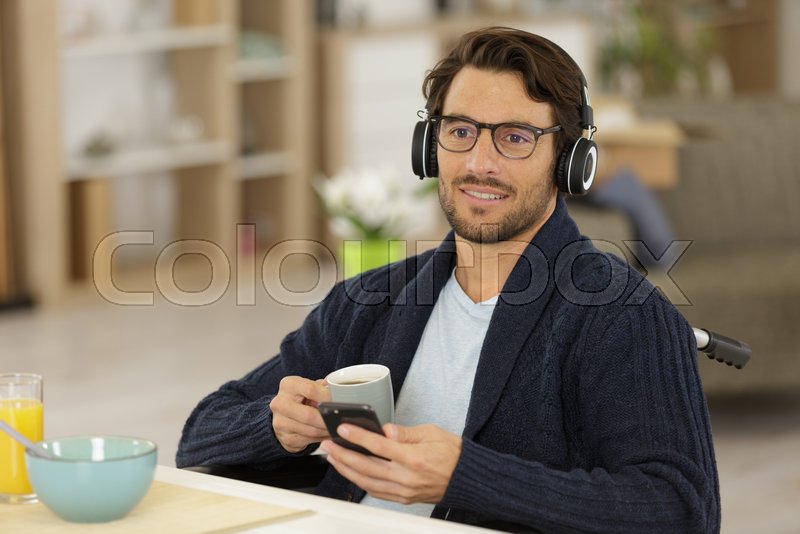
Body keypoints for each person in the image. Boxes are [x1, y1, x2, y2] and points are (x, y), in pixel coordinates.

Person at [177, 27, 720, 533]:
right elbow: (201, 432)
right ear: (429, 147)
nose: (480, 162)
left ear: (569, 161)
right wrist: (275, 427)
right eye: (460, 131)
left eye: (514, 137)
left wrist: (468, 476)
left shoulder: (620, 314)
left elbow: (682, 509)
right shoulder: (369, 299)